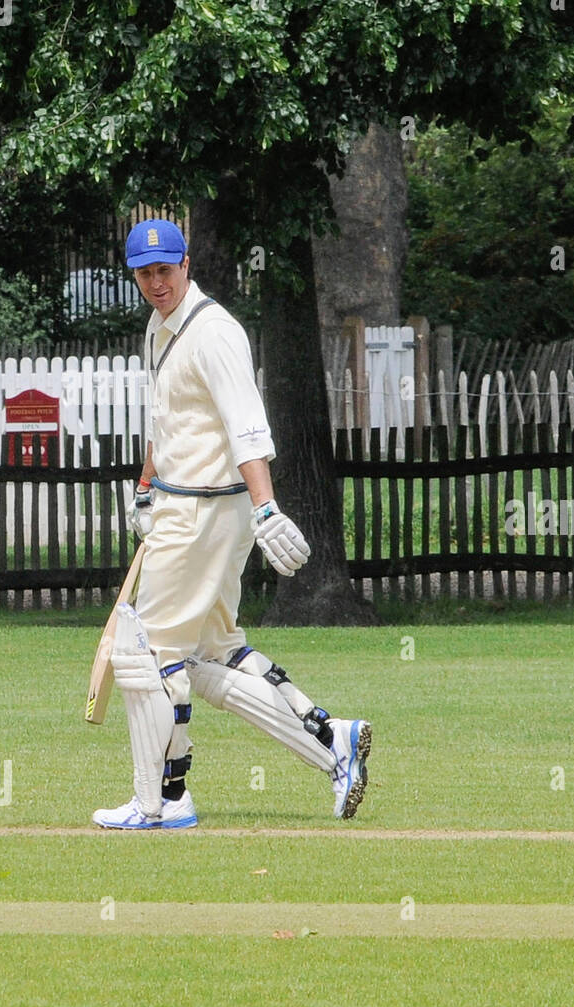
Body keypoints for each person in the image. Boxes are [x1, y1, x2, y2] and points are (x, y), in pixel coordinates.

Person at [92, 218, 371, 830]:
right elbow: (169, 421)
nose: (156, 282)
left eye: (165, 270)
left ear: (186, 264)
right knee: (213, 652)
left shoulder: (214, 331)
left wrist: (266, 505)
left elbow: (247, 426)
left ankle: (161, 801)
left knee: (150, 655)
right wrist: (145, 486)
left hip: (202, 513)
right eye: (145, 273)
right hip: (188, 505)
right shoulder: (159, 328)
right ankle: (333, 742)